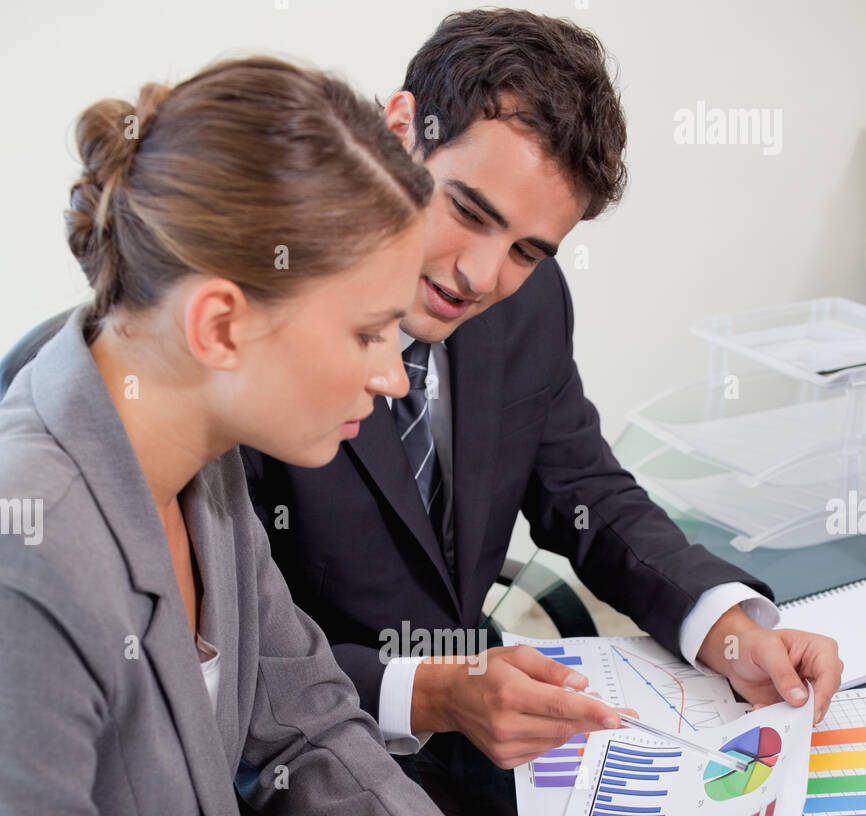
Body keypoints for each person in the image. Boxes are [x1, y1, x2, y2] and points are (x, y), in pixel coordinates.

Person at [0, 55, 731, 816]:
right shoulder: (31, 563)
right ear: (223, 320)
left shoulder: (202, 454)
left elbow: (301, 719)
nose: (399, 373)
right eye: (367, 333)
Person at [243, 8, 843, 771]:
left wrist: (729, 626)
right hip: (300, 771)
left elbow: (585, 490)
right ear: (400, 131)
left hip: (473, 743)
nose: (481, 277)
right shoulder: (262, 325)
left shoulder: (528, 301)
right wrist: (431, 692)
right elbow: (227, 651)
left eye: (528, 249)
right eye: (466, 211)